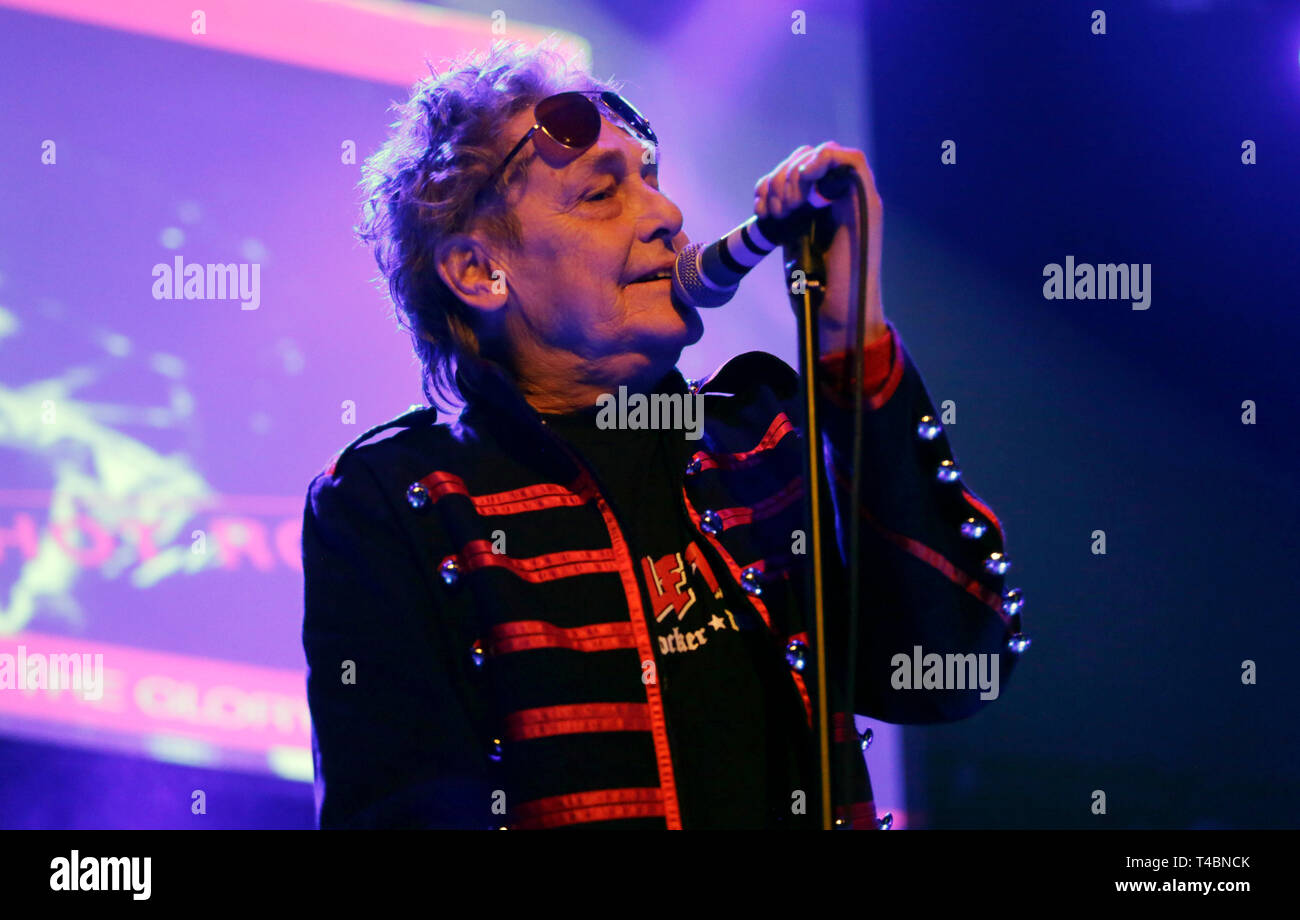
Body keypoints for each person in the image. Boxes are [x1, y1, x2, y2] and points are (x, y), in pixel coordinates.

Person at [300, 39, 1027, 830]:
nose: (668, 217)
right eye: (599, 194)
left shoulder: (761, 437)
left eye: (649, 177)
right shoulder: (398, 499)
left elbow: (951, 672)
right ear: (479, 272)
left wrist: (850, 334)